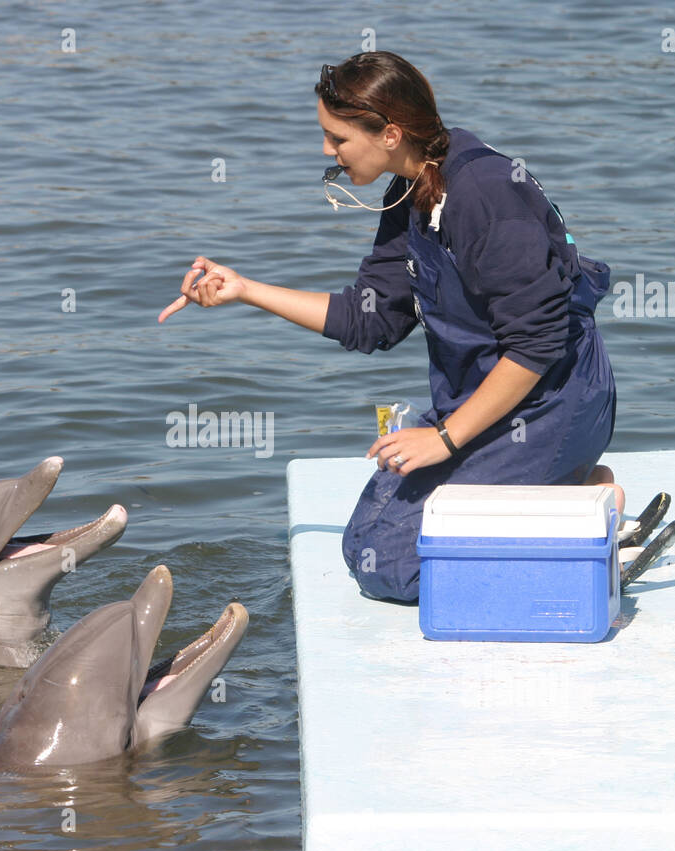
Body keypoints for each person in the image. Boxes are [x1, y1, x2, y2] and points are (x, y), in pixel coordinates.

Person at [159, 51, 622, 602]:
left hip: (552, 404)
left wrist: (444, 439)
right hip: (483, 399)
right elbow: (368, 321)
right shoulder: (409, 194)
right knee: (365, 546)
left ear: (390, 133)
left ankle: (585, 513)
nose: (327, 151)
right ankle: (562, 493)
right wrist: (246, 290)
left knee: (400, 567)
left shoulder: (487, 194)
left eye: (337, 139)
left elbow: (537, 345)